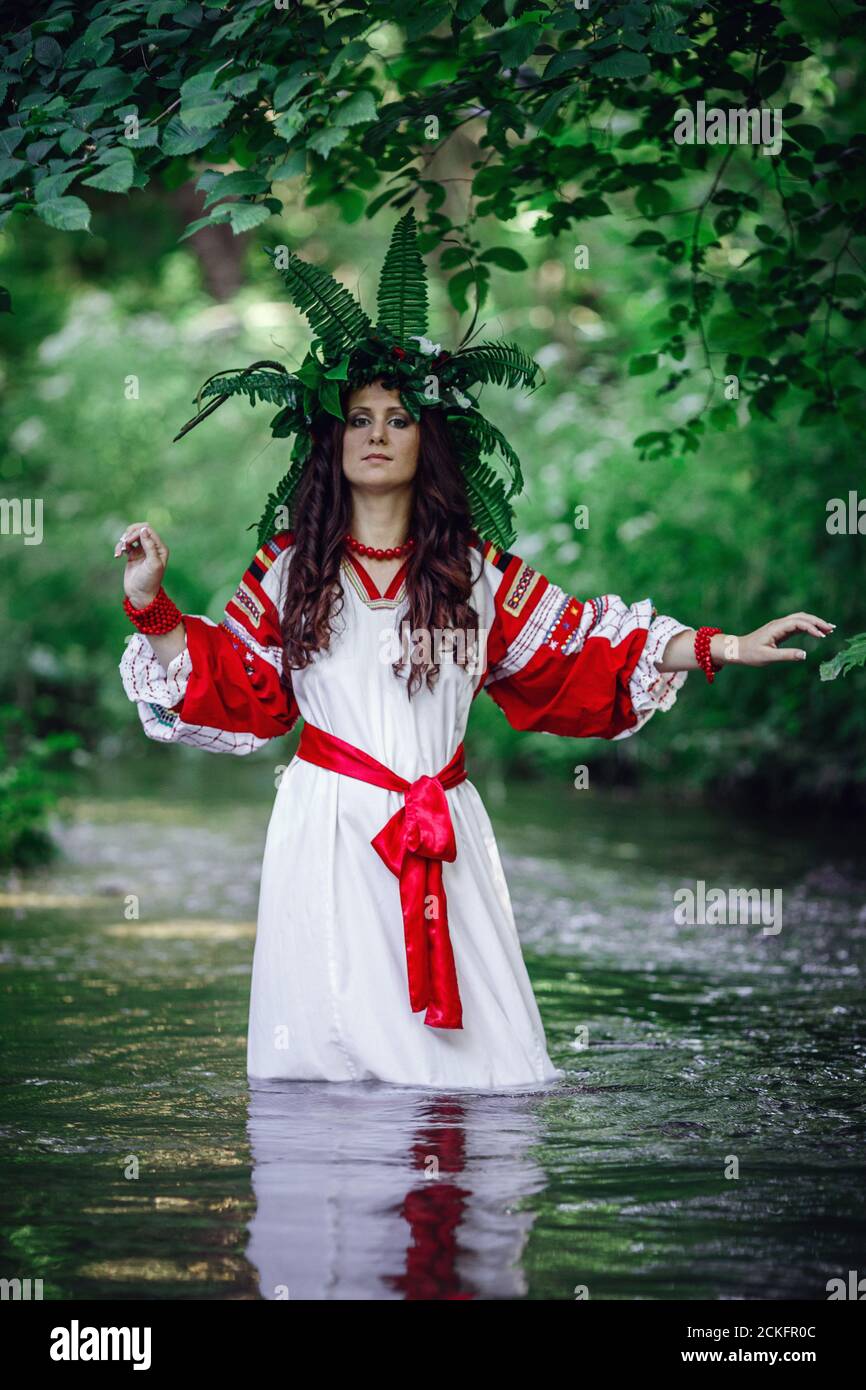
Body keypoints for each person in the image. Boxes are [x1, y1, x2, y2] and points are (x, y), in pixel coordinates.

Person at [116, 214, 834, 1089]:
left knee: (485, 1079)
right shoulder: (290, 573)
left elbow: (582, 654)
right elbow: (238, 689)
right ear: (331, 441)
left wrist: (721, 645)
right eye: (359, 418)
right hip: (329, 829)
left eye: (399, 417)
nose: (378, 433)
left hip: (443, 826)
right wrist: (151, 604)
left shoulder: (475, 574)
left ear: (429, 439)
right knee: (333, 1064)